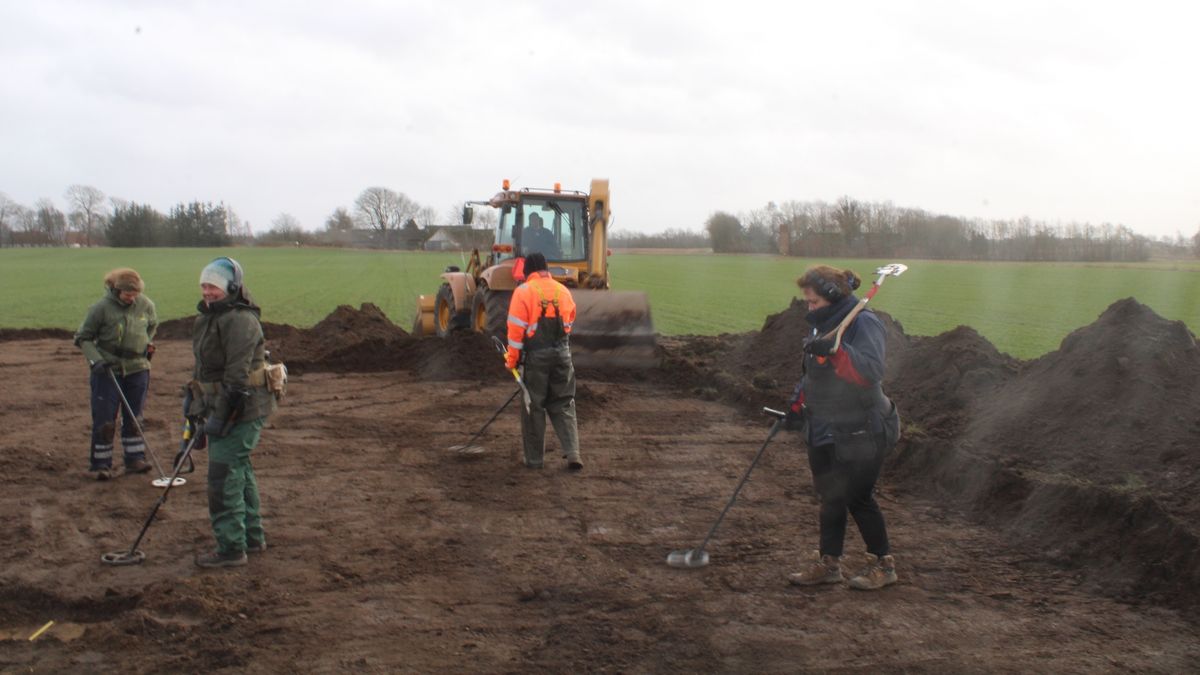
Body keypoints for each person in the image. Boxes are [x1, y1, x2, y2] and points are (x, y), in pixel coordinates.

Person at [785, 265, 901, 590]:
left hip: (863, 427)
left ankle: (883, 564)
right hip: (823, 426)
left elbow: (869, 373)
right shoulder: (821, 326)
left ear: (833, 297)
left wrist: (837, 351)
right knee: (830, 496)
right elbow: (811, 375)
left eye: (814, 302)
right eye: (807, 302)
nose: (809, 308)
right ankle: (829, 563)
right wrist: (796, 407)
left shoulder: (863, 323)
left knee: (858, 497)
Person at [188, 257, 277, 568]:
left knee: (223, 475)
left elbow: (236, 378)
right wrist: (196, 404)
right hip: (221, 404)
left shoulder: (241, 321)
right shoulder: (208, 319)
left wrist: (219, 418)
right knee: (240, 469)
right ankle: (252, 539)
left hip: (243, 407)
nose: (207, 291)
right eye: (204, 285)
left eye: (213, 286)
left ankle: (230, 548)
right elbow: (204, 368)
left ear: (231, 286)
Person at [74, 268, 158, 480]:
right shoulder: (100, 309)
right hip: (107, 370)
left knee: (134, 416)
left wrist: (143, 347)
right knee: (105, 418)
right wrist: (96, 360)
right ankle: (101, 464)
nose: (132, 298)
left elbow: (152, 327)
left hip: (138, 369)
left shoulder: (146, 305)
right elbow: (83, 338)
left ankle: (135, 459)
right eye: (128, 294)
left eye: (135, 294)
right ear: (116, 289)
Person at [505, 252, 583, 471]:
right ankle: (573, 452)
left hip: (536, 359)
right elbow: (569, 323)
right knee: (564, 403)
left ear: (528, 272)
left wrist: (512, 361)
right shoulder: (564, 291)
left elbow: (515, 332)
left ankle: (534, 460)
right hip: (563, 356)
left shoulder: (523, 292)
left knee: (534, 406)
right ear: (546, 269)